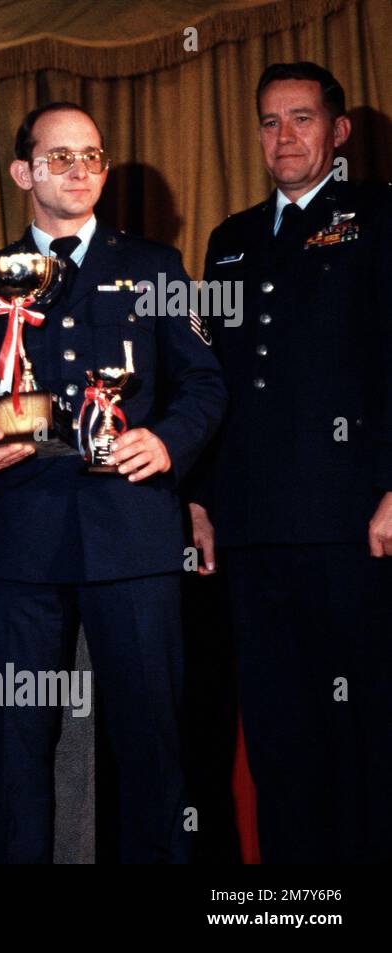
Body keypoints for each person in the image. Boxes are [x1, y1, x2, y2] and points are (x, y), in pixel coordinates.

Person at [0, 103, 225, 863]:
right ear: (22, 172)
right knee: (15, 744)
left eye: (91, 157)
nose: (78, 172)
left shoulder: (157, 267)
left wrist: (164, 441)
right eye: (59, 158)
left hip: (131, 535)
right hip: (19, 541)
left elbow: (204, 385)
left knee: (151, 744)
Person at [190, 62, 392, 863]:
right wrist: (201, 498)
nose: (285, 137)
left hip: (354, 519)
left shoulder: (378, 215)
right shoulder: (230, 239)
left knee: (366, 724)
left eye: (302, 119)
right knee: (277, 731)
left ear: (338, 132)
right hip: (253, 526)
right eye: (271, 121)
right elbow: (214, 381)